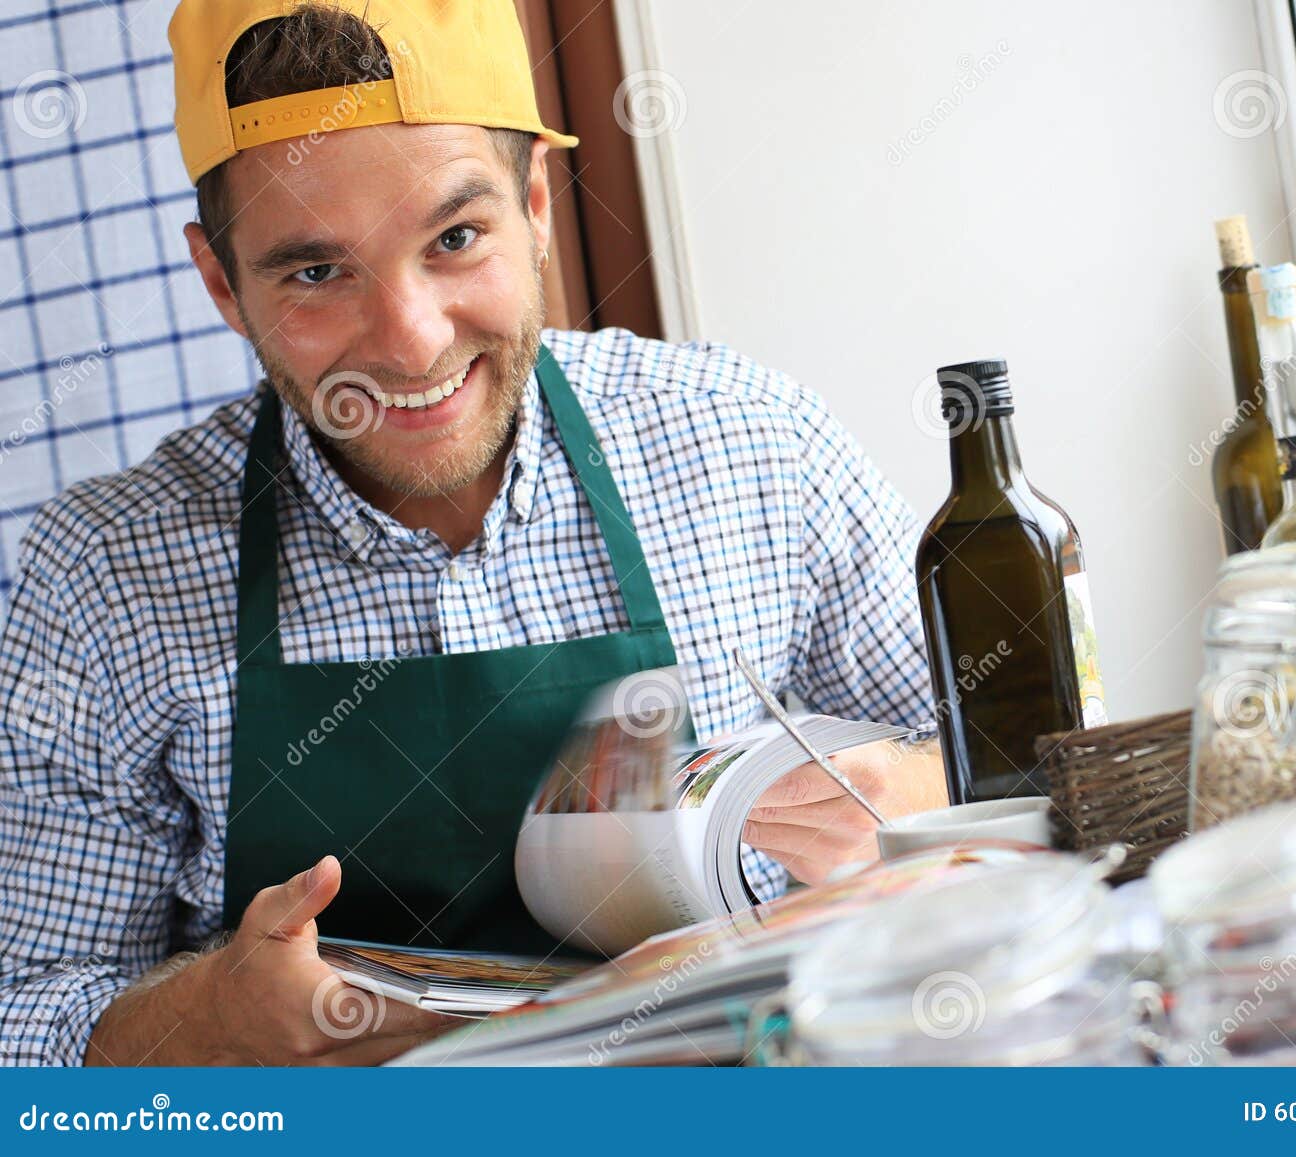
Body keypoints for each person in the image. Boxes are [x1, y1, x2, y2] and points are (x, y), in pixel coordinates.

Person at [0, 0, 946, 1067]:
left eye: (455, 238)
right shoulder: (102, 574)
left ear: (537, 202)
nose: (410, 341)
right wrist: (212, 1017)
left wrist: (923, 805)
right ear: (222, 283)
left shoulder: (756, 448)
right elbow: (19, 1025)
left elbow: (1028, 793)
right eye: (316, 272)